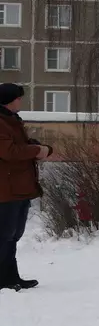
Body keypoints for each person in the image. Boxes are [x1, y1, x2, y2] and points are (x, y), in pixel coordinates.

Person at [0, 84, 51, 291]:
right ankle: (4, 279)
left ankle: (11, 277)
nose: (21, 101)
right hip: (6, 189)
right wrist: (36, 150)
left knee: (12, 236)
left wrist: (34, 146)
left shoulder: (11, 120)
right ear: (9, 100)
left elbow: (17, 146)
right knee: (4, 236)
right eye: (19, 98)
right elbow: (9, 151)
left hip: (18, 187)